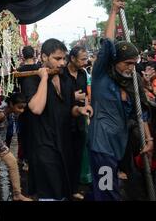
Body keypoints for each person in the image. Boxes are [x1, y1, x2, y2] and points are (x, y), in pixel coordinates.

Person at [88, 0, 154, 201]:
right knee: (107, 191)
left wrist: (149, 138)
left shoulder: (131, 84)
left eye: (134, 64)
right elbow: (108, 44)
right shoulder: (101, 76)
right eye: (127, 62)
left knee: (107, 188)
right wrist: (113, 12)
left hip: (119, 145)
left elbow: (140, 113)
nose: (130, 67)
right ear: (116, 61)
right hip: (101, 145)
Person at [21, 39, 93, 201]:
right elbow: (37, 108)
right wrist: (44, 79)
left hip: (64, 143)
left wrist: (79, 109)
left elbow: (70, 109)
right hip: (44, 146)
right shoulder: (32, 80)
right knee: (49, 193)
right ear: (44, 57)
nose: (62, 63)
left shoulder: (65, 79)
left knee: (62, 192)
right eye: (57, 59)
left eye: (63, 58)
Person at [64, 46, 89, 200]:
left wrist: (86, 112)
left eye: (86, 59)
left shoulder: (82, 74)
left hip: (79, 122)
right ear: (72, 58)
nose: (85, 62)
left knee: (78, 157)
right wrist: (72, 97)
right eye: (83, 59)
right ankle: (63, 188)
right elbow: (56, 98)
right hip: (64, 123)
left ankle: (74, 189)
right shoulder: (61, 74)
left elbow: (84, 95)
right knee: (65, 158)